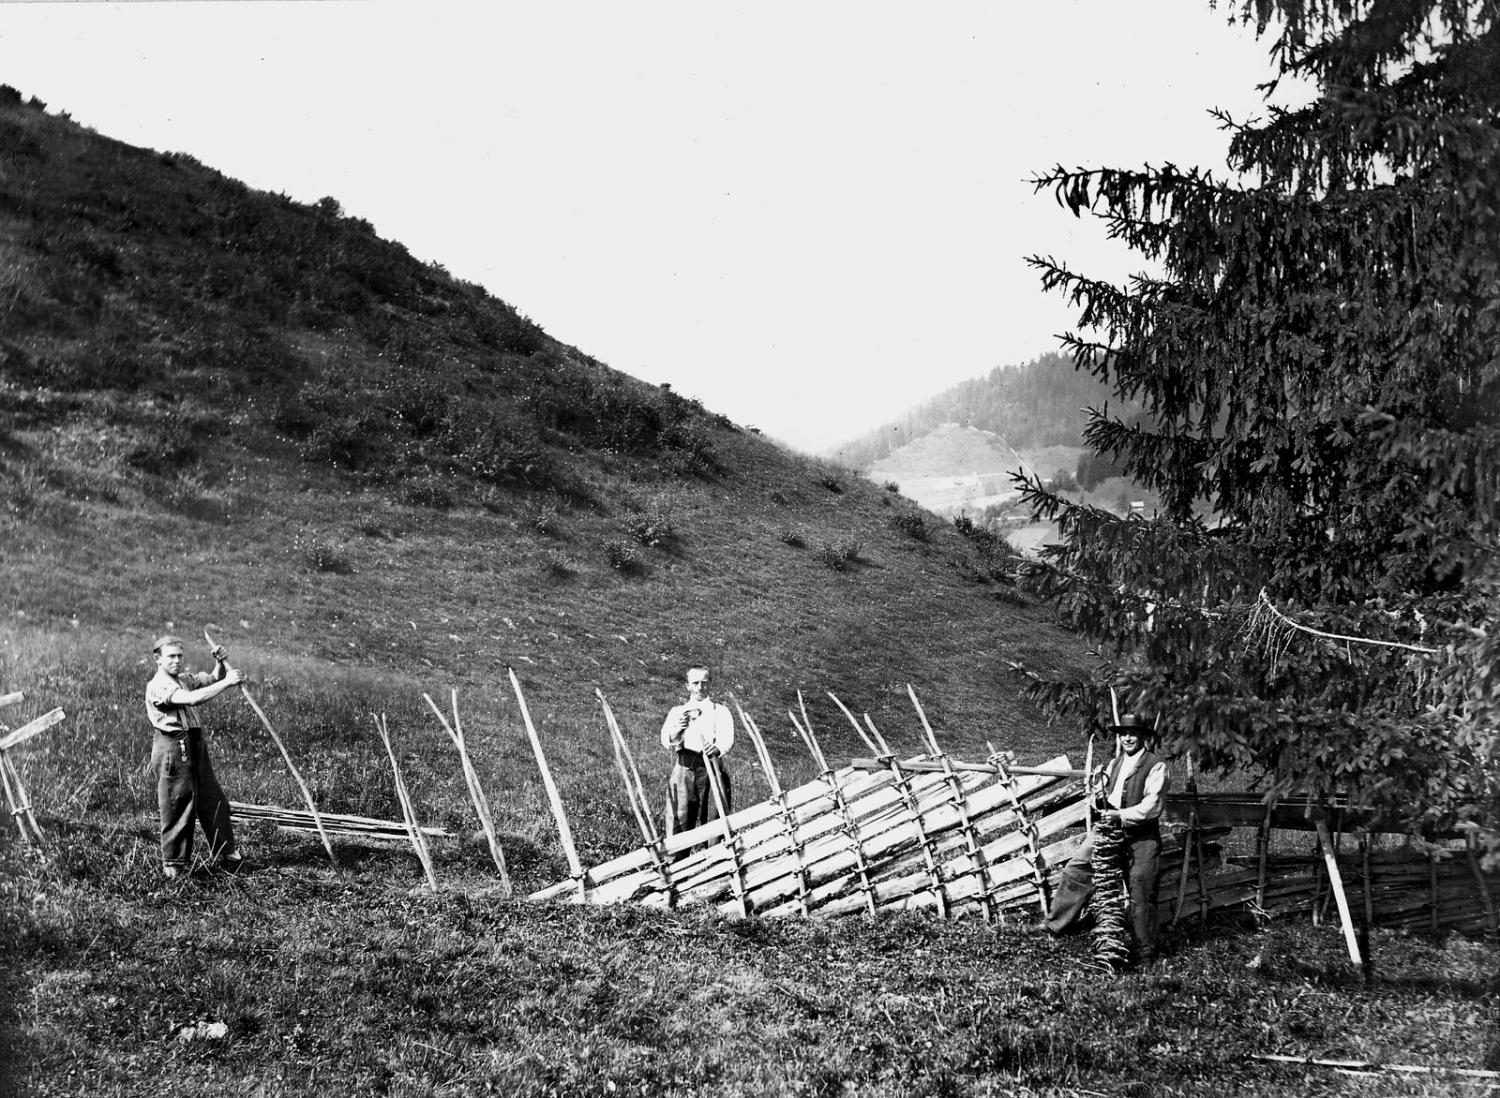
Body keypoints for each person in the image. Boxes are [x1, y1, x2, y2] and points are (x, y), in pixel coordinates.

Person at [1045, 712, 1170, 963]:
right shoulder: (1114, 764)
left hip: (1141, 836)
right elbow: (1103, 797)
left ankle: (1144, 951)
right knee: (1077, 869)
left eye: (1132, 733)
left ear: (1143, 736)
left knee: (1141, 889)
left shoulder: (1156, 765)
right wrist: (1097, 799)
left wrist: (1119, 815)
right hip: (1108, 831)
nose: (1127, 738)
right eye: (1123, 734)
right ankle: (1056, 925)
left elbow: (1152, 806)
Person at [145, 634, 245, 879]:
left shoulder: (184, 679)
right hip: (173, 748)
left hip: (195, 743)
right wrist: (228, 683)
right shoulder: (158, 684)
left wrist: (221, 664)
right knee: (178, 803)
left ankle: (226, 852)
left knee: (212, 797)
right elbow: (192, 699)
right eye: (171, 657)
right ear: (158, 659)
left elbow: (212, 678)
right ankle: (173, 865)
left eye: (179, 656)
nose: (177, 660)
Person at [659, 666, 735, 837]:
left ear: (710, 684)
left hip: (711, 769)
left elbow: (727, 739)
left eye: (704, 683)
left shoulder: (720, 711)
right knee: (679, 818)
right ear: (688, 686)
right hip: (684, 768)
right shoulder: (677, 712)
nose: (700, 687)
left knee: (715, 820)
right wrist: (677, 731)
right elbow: (666, 741)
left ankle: (716, 860)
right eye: (695, 683)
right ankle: (677, 862)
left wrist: (717, 748)